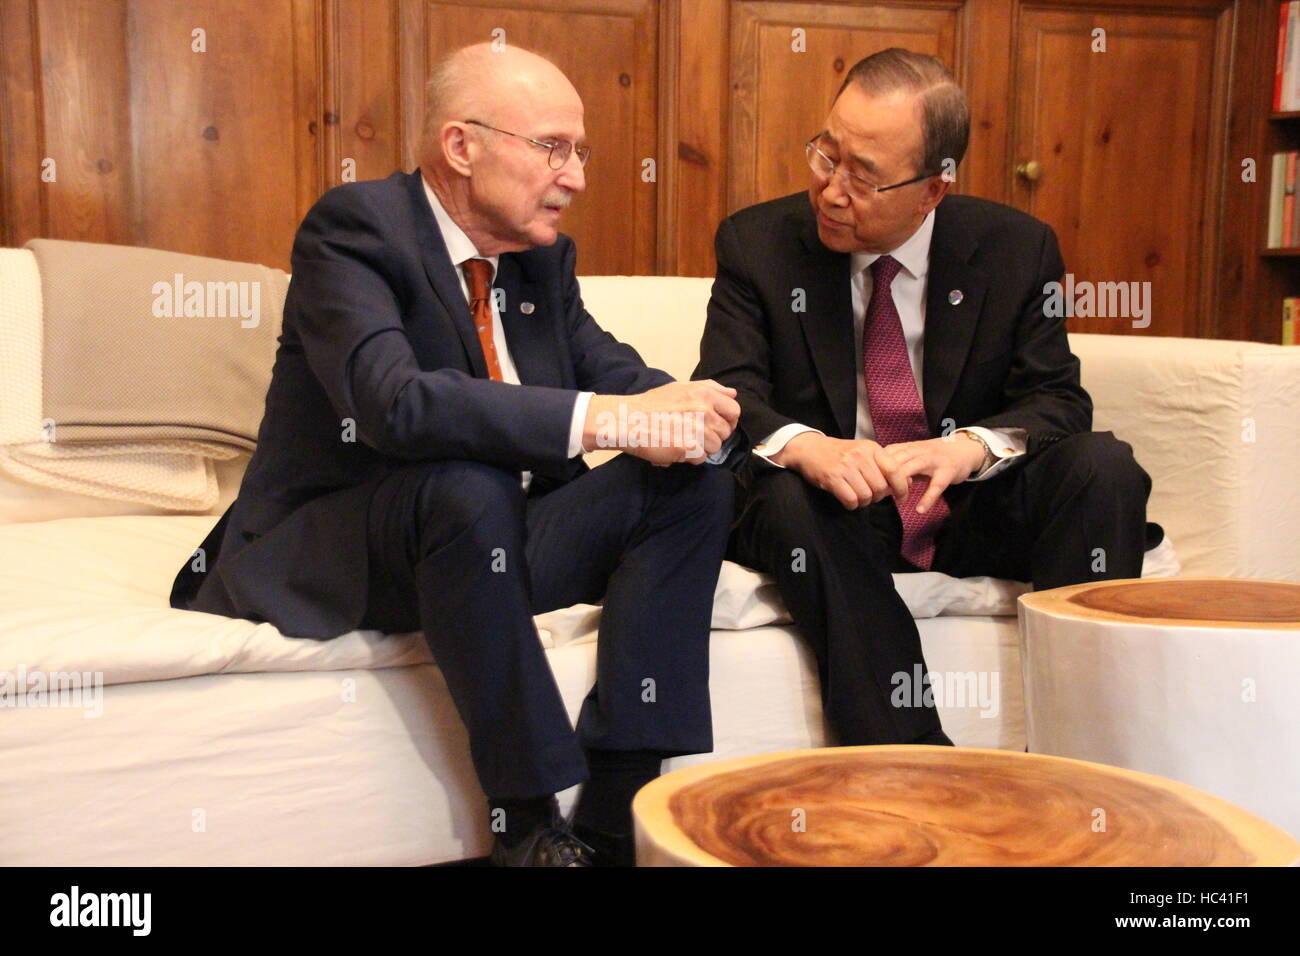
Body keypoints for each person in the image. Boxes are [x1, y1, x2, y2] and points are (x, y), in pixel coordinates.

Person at [171, 42, 742, 867]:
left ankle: (618, 808)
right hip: (362, 541)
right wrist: (615, 420)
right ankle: (527, 820)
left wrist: (706, 417)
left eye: (580, 151)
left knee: (690, 488)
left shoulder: (542, 260)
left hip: (490, 549)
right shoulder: (357, 229)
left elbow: (616, 371)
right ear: (461, 146)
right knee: (465, 485)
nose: (576, 175)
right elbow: (392, 403)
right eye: (552, 147)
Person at [694, 47, 1157, 748]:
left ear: (933, 190)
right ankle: (908, 762)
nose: (831, 189)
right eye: (827, 154)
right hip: (837, 515)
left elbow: (1058, 401)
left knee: (1104, 467)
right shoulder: (757, 245)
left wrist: (970, 447)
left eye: (864, 176)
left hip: (967, 508)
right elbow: (729, 393)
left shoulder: (1016, 248)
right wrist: (809, 447)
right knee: (789, 499)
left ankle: (1083, 757)